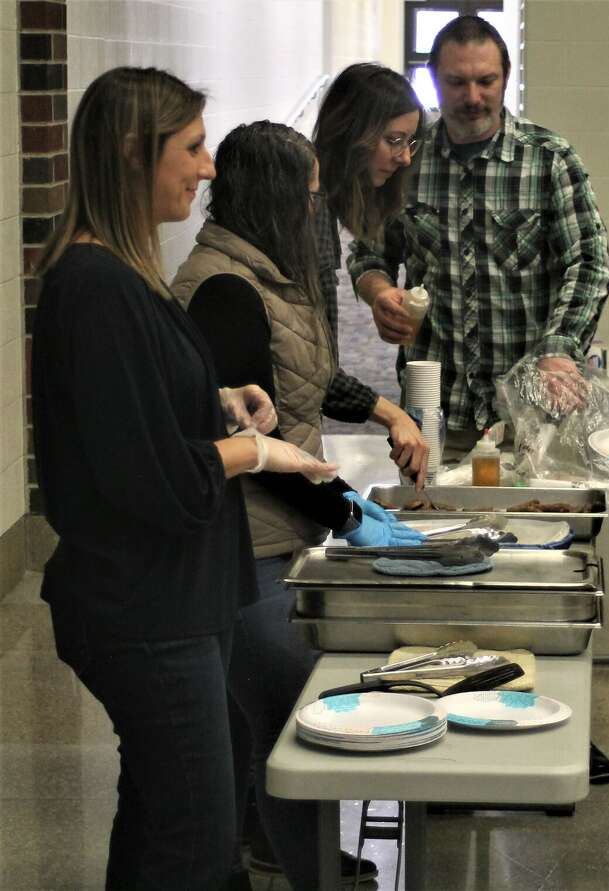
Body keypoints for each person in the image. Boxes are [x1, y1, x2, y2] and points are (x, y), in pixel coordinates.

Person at [30, 67, 335, 890]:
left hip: (176, 601)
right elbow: (149, 476)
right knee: (199, 847)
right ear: (135, 153)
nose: (207, 170)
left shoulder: (128, 275)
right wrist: (261, 453)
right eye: (193, 148)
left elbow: (134, 413)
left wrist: (217, 399)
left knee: (159, 820)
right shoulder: (94, 287)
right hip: (145, 612)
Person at [172, 121, 428, 889]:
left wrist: (383, 420)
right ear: (279, 198)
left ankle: (289, 853)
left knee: (270, 726)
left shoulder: (266, 276)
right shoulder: (225, 289)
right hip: (244, 546)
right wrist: (350, 510)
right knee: (293, 726)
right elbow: (259, 449)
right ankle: (304, 866)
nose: (318, 212)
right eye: (310, 197)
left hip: (276, 538)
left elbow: (304, 387)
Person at [346, 15, 609, 457]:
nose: (473, 97)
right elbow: (367, 252)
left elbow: (589, 263)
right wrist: (379, 293)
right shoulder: (406, 159)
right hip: (433, 413)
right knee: (432, 524)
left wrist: (560, 348)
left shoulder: (549, 160)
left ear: (505, 78)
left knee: (537, 523)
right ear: (432, 80)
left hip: (531, 415)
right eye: (456, 82)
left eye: (486, 81)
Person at [310, 61, 435, 477]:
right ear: (351, 132)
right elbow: (316, 370)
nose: (403, 158)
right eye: (393, 140)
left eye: (410, 142)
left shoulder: (320, 207)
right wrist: (391, 414)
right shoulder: (306, 215)